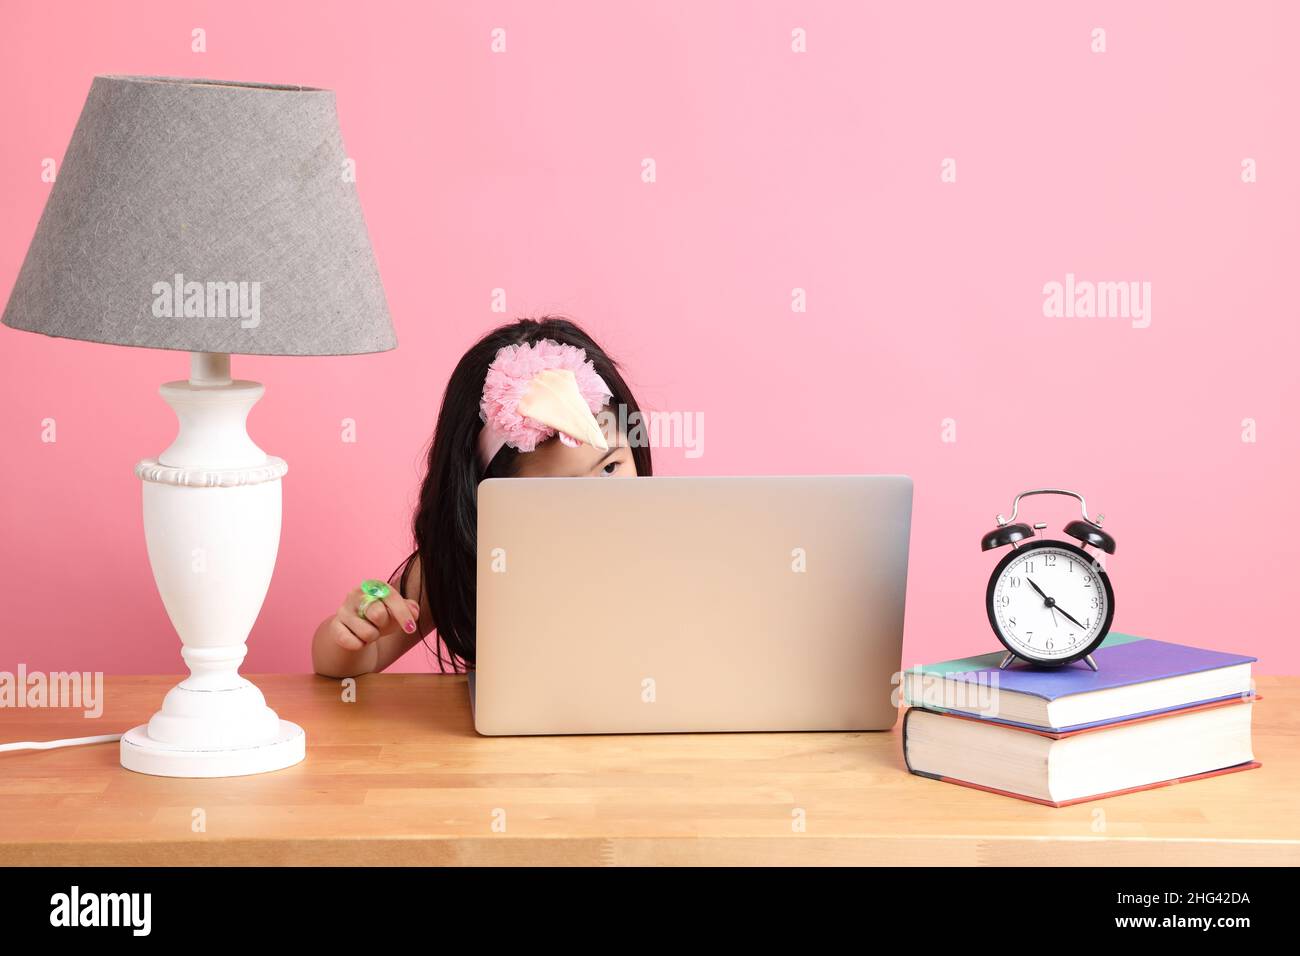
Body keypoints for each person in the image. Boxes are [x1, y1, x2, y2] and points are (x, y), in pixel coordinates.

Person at [311, 316, 653, 678]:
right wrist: (353, 636)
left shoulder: (673, 536)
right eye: (558, 491)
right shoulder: (472, 558)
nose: (596, 506)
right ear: (491, 497)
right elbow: (341, 662)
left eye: (610, 468)